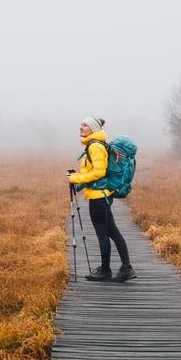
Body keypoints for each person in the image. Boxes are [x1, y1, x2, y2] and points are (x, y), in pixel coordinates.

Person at [68, 116, 133, 282]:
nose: (81, 127)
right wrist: (78, 179)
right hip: (102, 196)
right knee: (112, 232)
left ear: (93, 129)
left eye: (85, 125)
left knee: (103, 235)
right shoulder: (95, 145)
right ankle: (126, 268)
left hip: (98, 199)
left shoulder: (95, 147)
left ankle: (106, 270)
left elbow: (99, 173)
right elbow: (94, 173)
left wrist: (76, 179)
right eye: (81, 124)